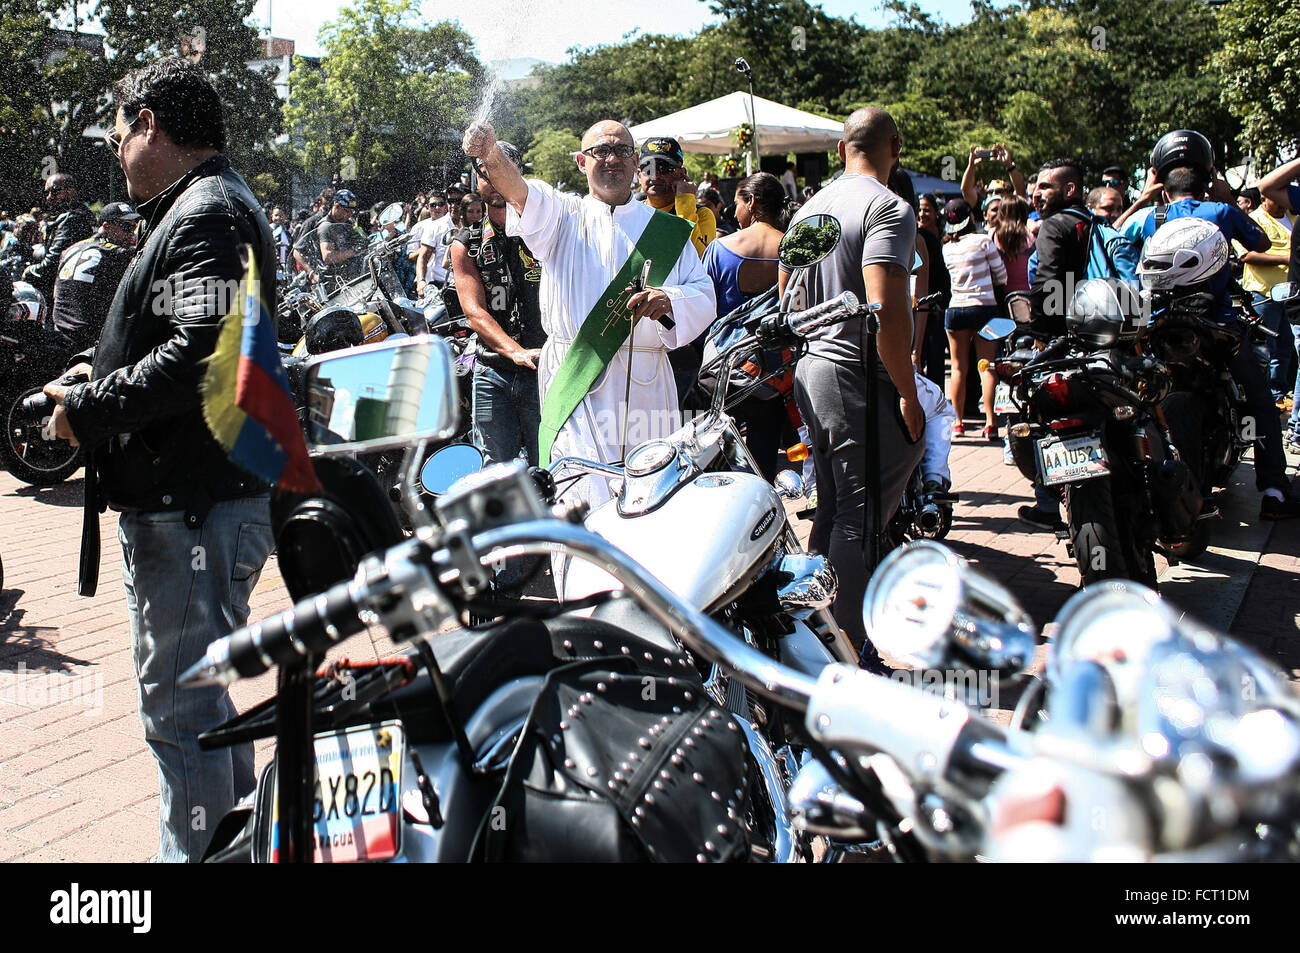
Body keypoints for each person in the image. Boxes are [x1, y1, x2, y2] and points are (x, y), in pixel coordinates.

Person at [42, 56, 277, 862]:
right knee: (200, 707)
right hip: (197, 500)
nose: (113, 146)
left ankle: (200, 856)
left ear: (151, 123)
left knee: (182, 713)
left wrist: (92, 408)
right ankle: (220, 848)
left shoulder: (205, 211)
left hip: (194, 505)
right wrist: (94, 373)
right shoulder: (203, 204)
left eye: (118, 129)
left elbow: (201, 354)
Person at [461, 117, 715, 508]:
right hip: (575, 380)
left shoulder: (668, 232)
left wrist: (669, 300)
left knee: (653, 498)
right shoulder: (561, 216)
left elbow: (703, 295)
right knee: (580, 498)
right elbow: (521, 193)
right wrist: (491, 154)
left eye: (621, 151)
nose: (611, 159)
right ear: (582, 162)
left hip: (648, 387)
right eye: (601, 151)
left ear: (635, 163)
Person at [781, 106, 924, 662]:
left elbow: (785, 299)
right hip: (855, 374)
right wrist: (909, 392)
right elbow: (887, 308)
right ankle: (844, 655)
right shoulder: (887, 207)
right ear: (895, 148)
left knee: (837, 511)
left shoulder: (809, 211)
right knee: (859, 520)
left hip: (812, 370)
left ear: (841, 150)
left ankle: (812, 639)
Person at [1127, 132, 1295, 520]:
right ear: (1207, 178)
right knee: (1261, 402)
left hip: (1161, 330)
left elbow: (1115, 244)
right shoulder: (1221, 212)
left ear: (1162, 185)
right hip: (1219, 330)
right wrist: (1225, 198)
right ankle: (1273, 489)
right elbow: (1261, 243)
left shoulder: (1148, 218)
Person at [455, 142, 547, 466]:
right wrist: (514, 351)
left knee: (550, 466)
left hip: (545, 370)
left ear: (517, 174)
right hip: (492, 372)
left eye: (502, 170)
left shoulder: (544, 230)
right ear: (475, 180)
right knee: (495, 473)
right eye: (485, 173)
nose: (494, 180)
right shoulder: (466, 243)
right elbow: (474, 312)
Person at [700, 171, 795, 478]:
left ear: (751, 202)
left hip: (727, 369)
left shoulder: (720, 249)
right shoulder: (793, 248)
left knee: (722, 454)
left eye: (738, 202)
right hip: (776, 371)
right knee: (764, 452)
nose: (733, 210)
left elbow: (703, 307)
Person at [1019, 156, 1092, 532]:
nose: (1036, 193)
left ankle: (1047, 502)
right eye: (1036, 187)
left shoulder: (1054, 226)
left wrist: (1040, 334)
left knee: (1039, 415)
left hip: (1060, 339)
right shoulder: (1095, 225)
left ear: (1070, 189)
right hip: (1099, 336)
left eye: (1045, 186)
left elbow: (1048, 283)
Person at [942, 198, 1006, 441]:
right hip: (984, 309)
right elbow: (1001, 275)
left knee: (958, 368)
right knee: (985, 366)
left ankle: (957, 423)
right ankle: (990, 423)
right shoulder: (983, 241)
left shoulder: (946, 248)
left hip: (956, 309)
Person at [1233, 187, 1296, 405]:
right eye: (1275, 198)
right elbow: (1246, 254)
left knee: (1286, 347)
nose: (1280, 202)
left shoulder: (1293, 217)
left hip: (1291, 293)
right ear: (1263, 198)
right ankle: (1260, 396)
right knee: (1264, 349)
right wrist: (1286, 259)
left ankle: (1278, 394)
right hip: (1264, 293)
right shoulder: (1252, 220)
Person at [50, 202, 140, 352]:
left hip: (59, 333)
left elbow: (55, 294)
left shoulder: (70, 249)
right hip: (89, 343)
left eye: (134, 227)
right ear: (106, 226)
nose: (132, 232)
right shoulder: (119, 254)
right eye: (126, 227)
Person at [23, 172, 95, 303]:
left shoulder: (72, 219)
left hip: (64, 293)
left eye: (55, 191)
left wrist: (29, 271)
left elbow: (52, 264)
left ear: (71, 191)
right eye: (47, 193)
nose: (49, 197)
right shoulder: (83, 214)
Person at [638, 137, 716, 257]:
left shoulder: (702, 215)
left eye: (664, 168)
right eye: (649, 169)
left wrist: (685, 200)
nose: (656, 175)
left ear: (682, 174)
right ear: (639, 174)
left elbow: (699, 259)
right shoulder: (633, 212)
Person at [914, 193, 950, 389]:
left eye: (927, 209)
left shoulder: (933, 239)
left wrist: (940, 301)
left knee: (935, 359)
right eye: (919, 209)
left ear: (936, 213)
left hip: (933, 307)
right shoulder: (912, 236)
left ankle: (937, 402)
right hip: (916, 306)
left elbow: (942, 274)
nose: (922, 214)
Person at [317, 188, 367, 286]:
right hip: (333, 282)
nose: (349, 215)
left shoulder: (349, 223)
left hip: (350, 277)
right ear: (336, 206)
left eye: (352, 212)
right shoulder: (326, 226)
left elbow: (364, 238)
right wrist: (354, 251)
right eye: (347, 211)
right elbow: (328, 257)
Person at [291, 186, 335, 283]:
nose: (328, 211)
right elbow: (297, 252)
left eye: (332, 206)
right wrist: (311, 273)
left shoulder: (342, 222)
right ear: (320, 203)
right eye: (326, 206)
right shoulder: (311, 223)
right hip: (318, 277)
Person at [269, 206, 291, 272]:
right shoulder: (268, 230)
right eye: (276, 215)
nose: (278, 218)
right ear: (271, 216)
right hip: (272, 263)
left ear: (285, 217)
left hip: (285, 264)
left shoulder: (286, 233)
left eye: (281, 216)